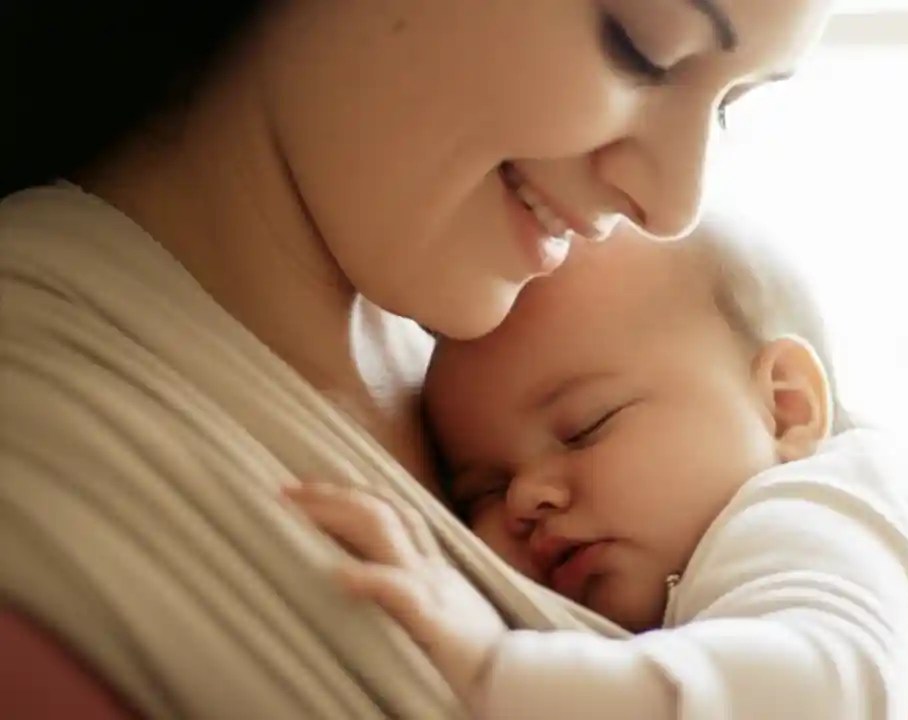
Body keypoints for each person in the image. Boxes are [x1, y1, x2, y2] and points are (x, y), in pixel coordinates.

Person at [0, 1, 835, 716]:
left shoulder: (571, 346)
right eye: (641, 46)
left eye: (730, 106)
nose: (674, 204)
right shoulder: (44, 458)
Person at [287, 220, 908, 718]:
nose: (529, 496)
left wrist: (490, 667)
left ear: (785, 408)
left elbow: (819, 696)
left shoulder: (815, 507)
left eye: (586, 427)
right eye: (482, 491)